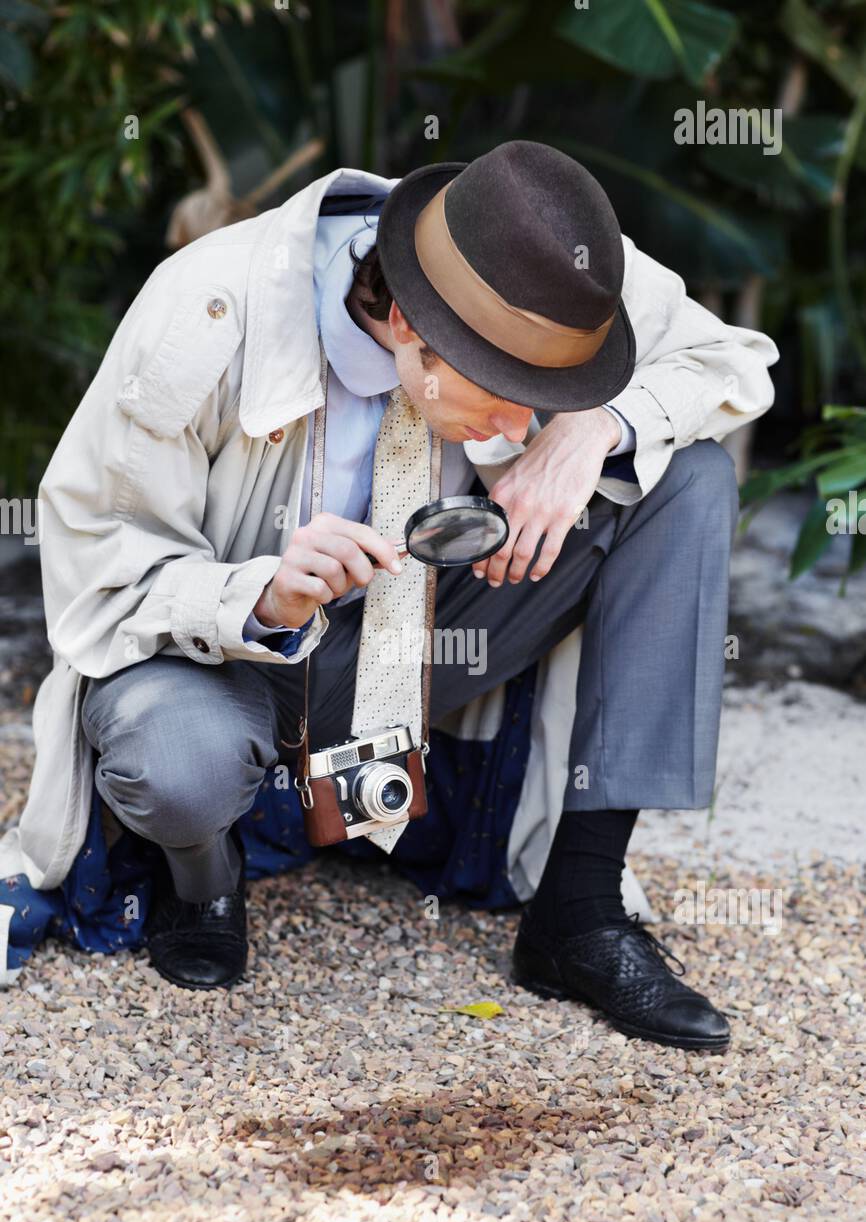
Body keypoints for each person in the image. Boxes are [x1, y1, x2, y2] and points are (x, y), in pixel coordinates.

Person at [1, 142, 778, 1049]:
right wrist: (258, 595)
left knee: (687, 480)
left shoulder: (544, 271)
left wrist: (596, 424)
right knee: (176, 762)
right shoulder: (208, 303)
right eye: (508, 393)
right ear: (409, 321)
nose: (523, 426)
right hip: (232, 662)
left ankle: (579, 910)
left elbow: (736, 360)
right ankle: (200, 880)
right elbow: (98, 563)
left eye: (545, 395)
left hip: (434, 645)